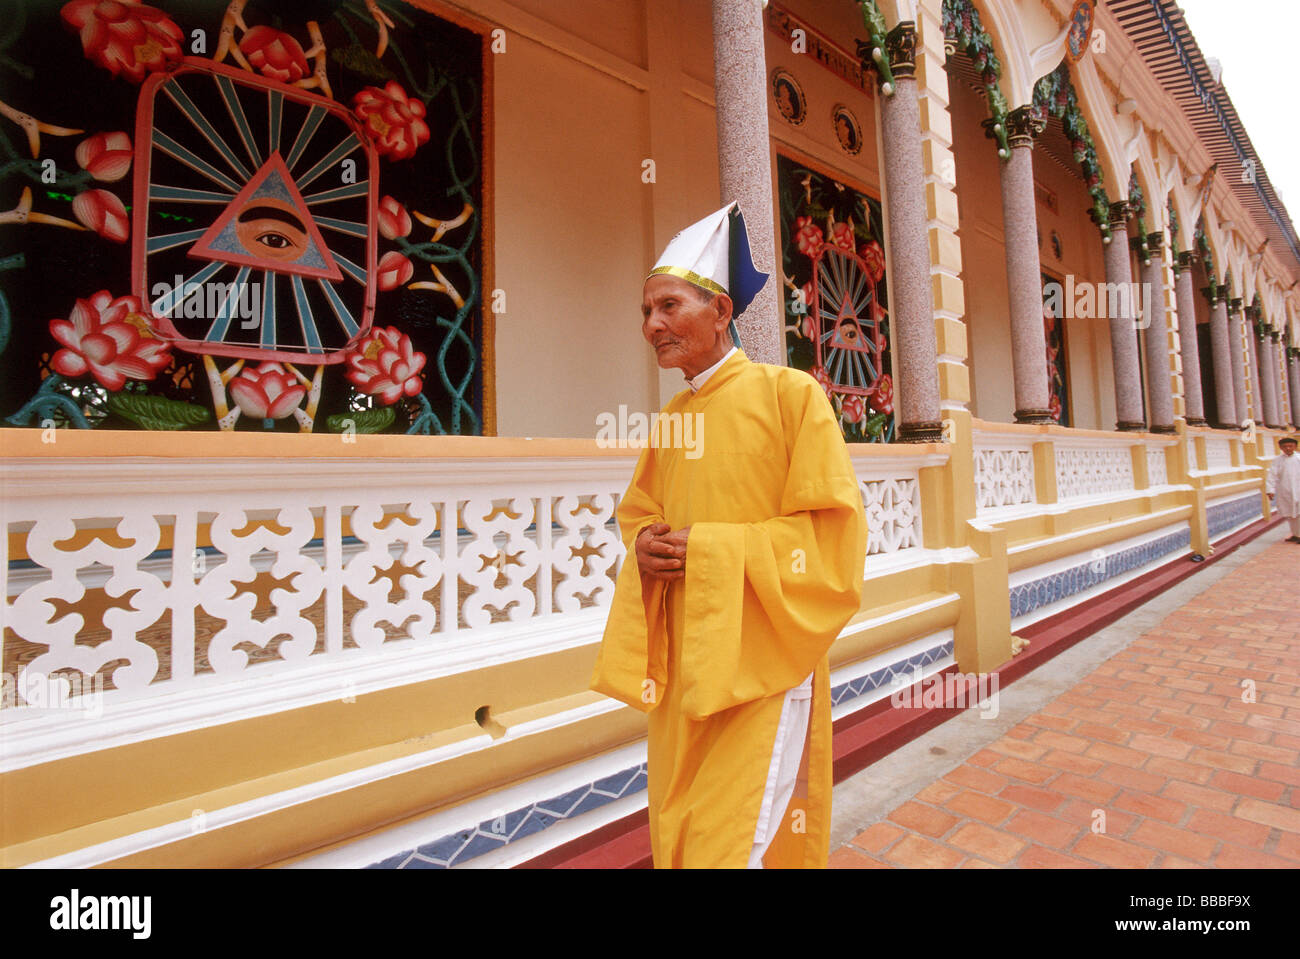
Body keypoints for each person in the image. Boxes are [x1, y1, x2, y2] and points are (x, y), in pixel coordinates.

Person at [590, 202, 866, 868]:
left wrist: (712, 549)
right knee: (680, 828)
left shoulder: (791, 395)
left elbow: (832, 535)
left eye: (667, 305)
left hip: (760, 665)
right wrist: (646, 548)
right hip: (685, 673)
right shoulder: (672, 421)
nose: (653, 324)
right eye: (645, 312)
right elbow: (641, 514)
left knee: (736, 842)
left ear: (720, 311)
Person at [1266, 434, 1300, 543]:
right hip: (1285, 490)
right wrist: (1270, 490)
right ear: (1281, 448)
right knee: (1290, 514)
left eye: (1290, 446)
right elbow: (1272, 475)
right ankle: (1295, 534)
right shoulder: (1277, 460)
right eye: (1285, 446)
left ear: (1295, 446)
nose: (1288, 448)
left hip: (1298, 489)